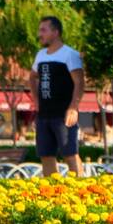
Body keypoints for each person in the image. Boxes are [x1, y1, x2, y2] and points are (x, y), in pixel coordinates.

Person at [29, 15, 85, 176]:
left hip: (63, 113)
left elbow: (80, 82)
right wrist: (36, 101)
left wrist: (73, 107)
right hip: (44, 114)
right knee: (46, 155)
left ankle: (80, 189)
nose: (40, 34)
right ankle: (52, 193)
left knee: (70, 154)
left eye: (43, 30)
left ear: (56, 32)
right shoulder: (40, 55)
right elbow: (32, 77)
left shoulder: (69, 54)